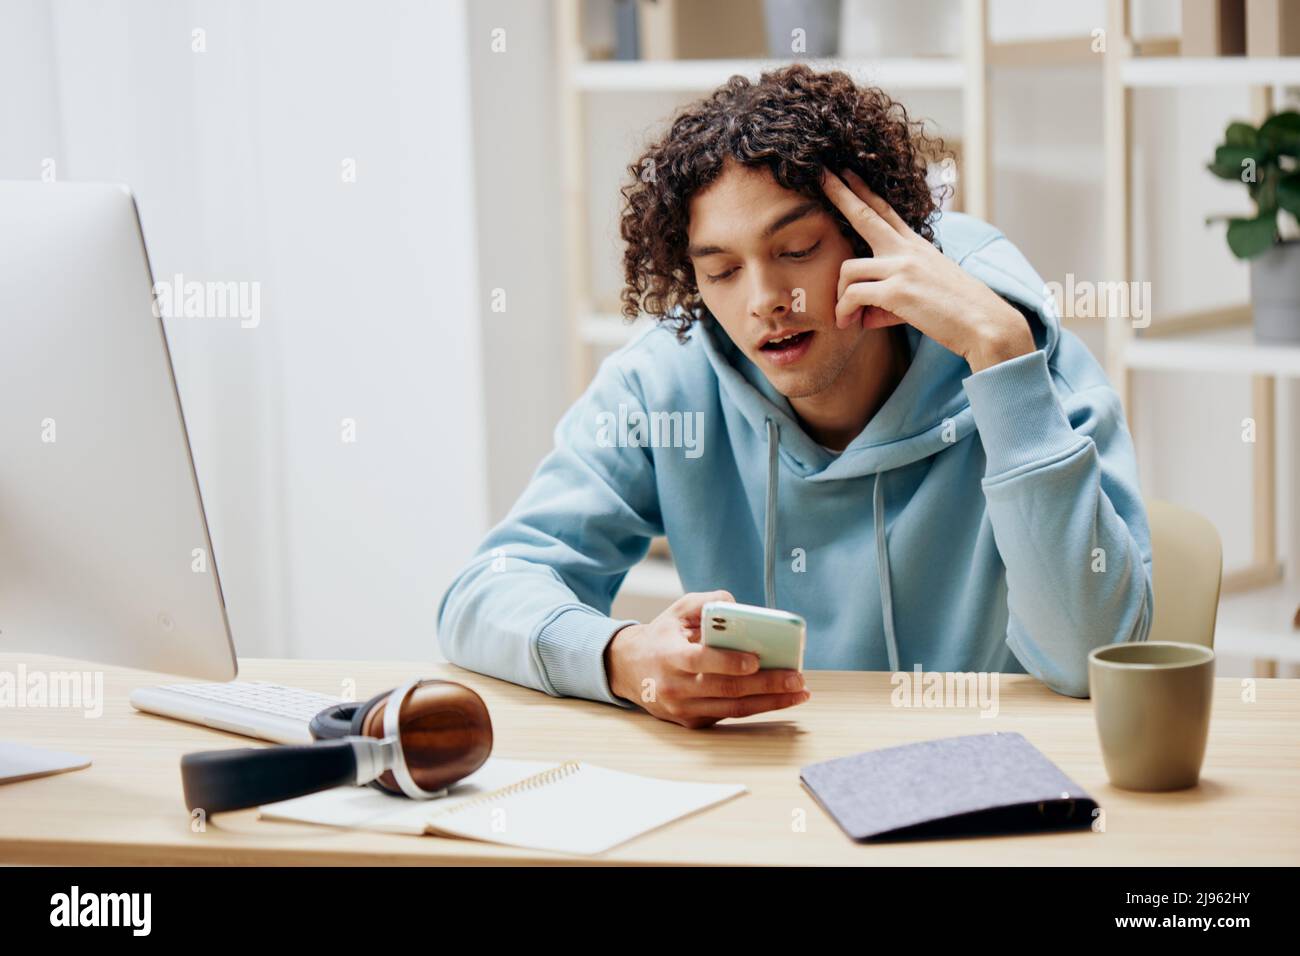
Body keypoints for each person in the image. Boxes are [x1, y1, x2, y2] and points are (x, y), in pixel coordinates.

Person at [437, 64, 1152, 729]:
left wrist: (1001, 362)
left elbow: (1091, 658)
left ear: (875, 243)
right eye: (720, 271)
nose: (765, 302)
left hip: (1002, 798)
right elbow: (485, 593)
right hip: (777, 799)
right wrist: (624, 657)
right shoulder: (664, 389)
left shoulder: (1020, 357)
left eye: (797, 250)